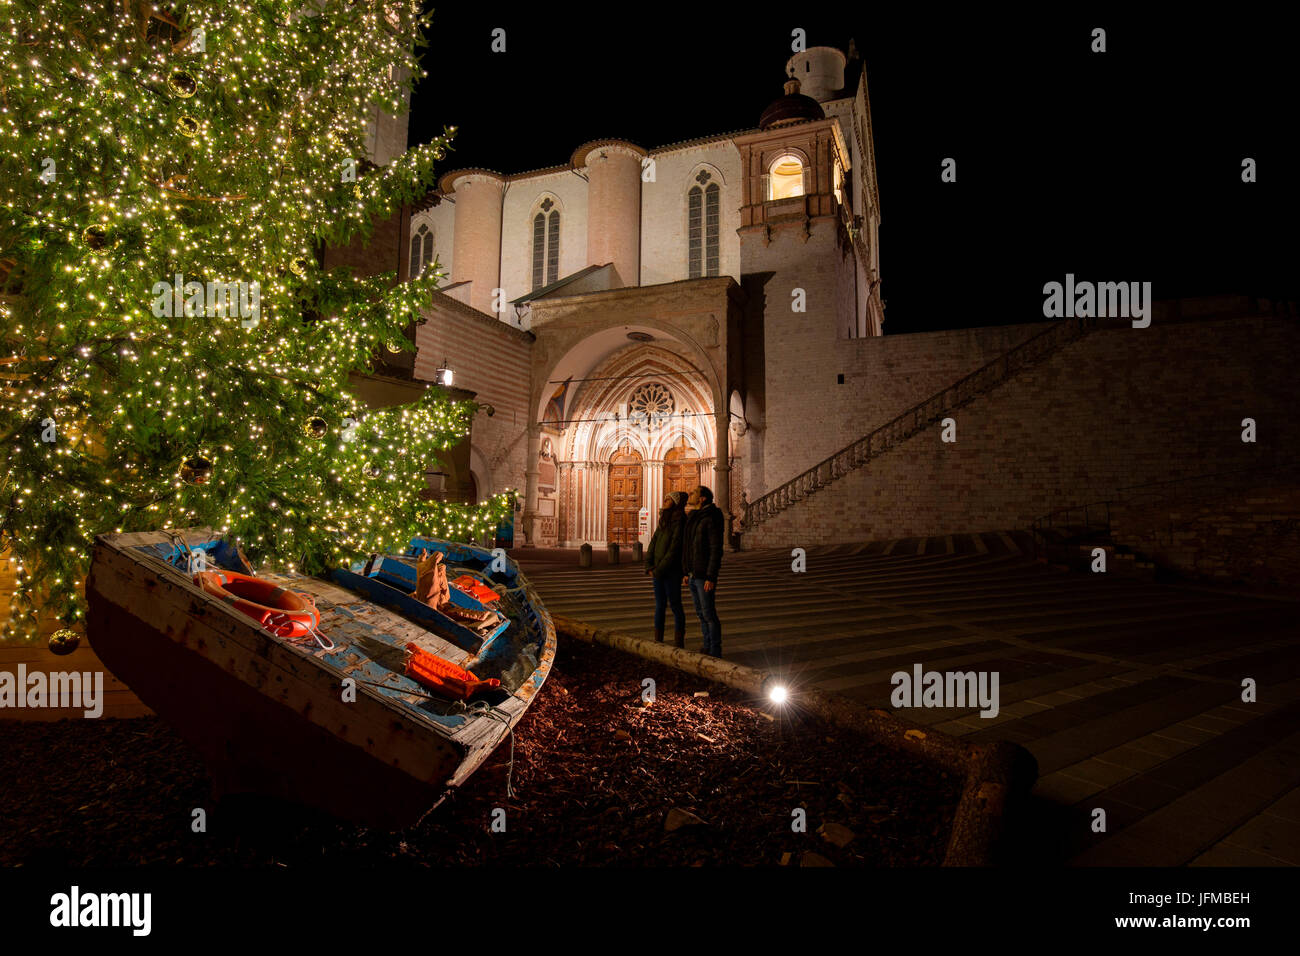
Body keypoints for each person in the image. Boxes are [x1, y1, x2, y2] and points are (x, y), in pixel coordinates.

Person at [681, 484, 724, 657]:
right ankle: (706, 645)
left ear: (702, 498)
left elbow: (715, 549)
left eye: (693, 493)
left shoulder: (711, 517)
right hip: (693, 574)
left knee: (709, 613)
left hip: (703, 576)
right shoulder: (694, 516)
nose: (689, 495)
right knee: (700, 613)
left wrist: (710, 576)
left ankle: (715, 649)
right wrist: (686, 571)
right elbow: (688, 546)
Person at [644, 490, 687, 645]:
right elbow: (654, 542)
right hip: (658, 570)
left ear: (675, 503)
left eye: (668, 499)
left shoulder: (680, 520)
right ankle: (658, 641)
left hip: (672, 571)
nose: (664, 500)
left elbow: (675, 547)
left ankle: (678, 642)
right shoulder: (664, 519)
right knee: (659, 605)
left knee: (675, 605)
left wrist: (659, 569)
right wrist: (649, 564)